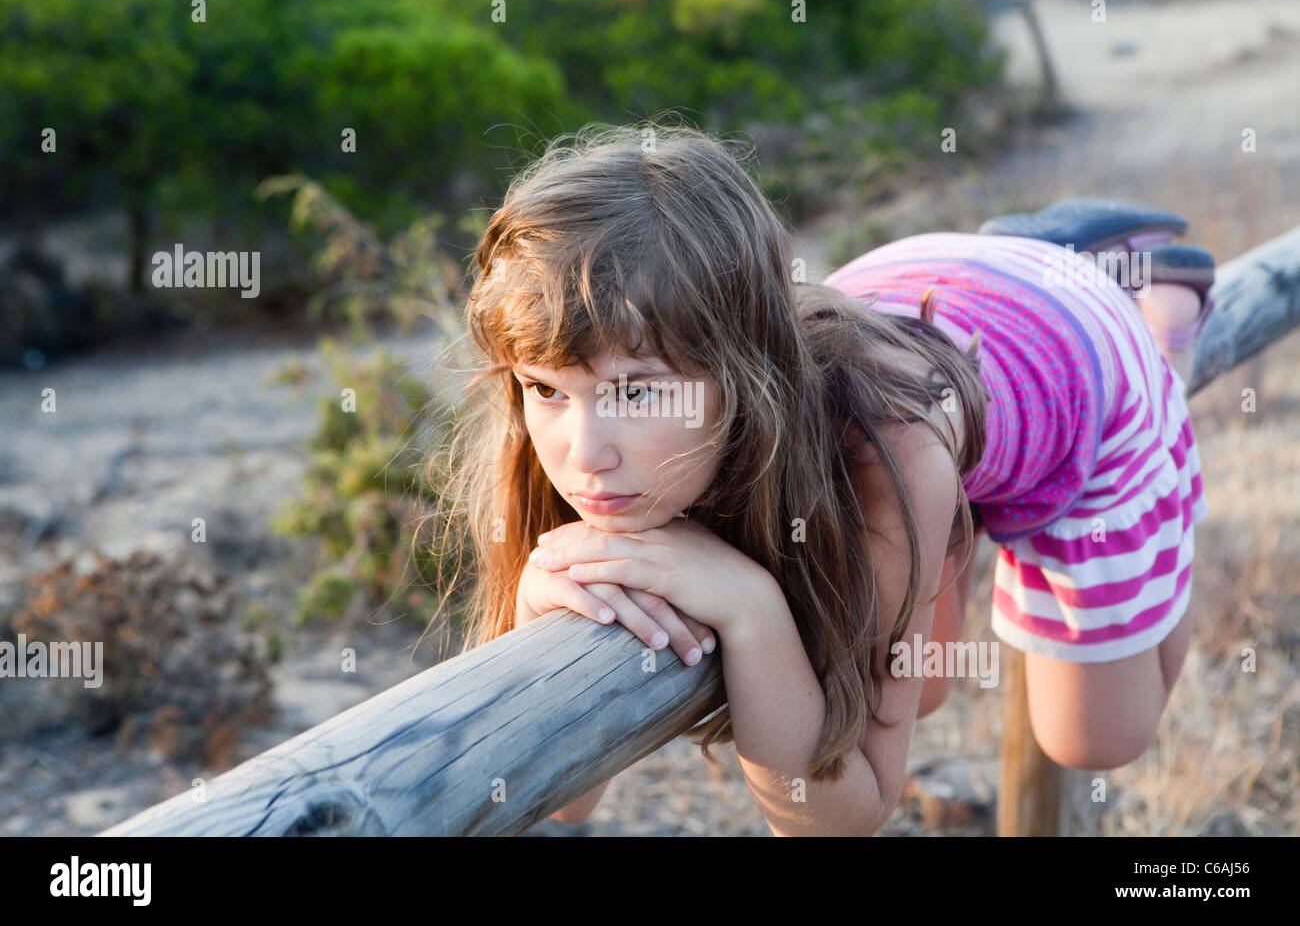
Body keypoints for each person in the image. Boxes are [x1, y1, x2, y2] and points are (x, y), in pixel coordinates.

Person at [424, 118, 1210, 836]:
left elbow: (842, 816)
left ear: (743, 372)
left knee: (1094, 737)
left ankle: (1153, 312)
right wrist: (536, 604)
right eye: (546, 389)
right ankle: (1028, 265)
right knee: (921, 686)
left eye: (639, 390)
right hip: (928, 304)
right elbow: (561, 798)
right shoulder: (587, 449)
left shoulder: (887, 453)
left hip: (1072, 352)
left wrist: (751, 607)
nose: (584, 452)